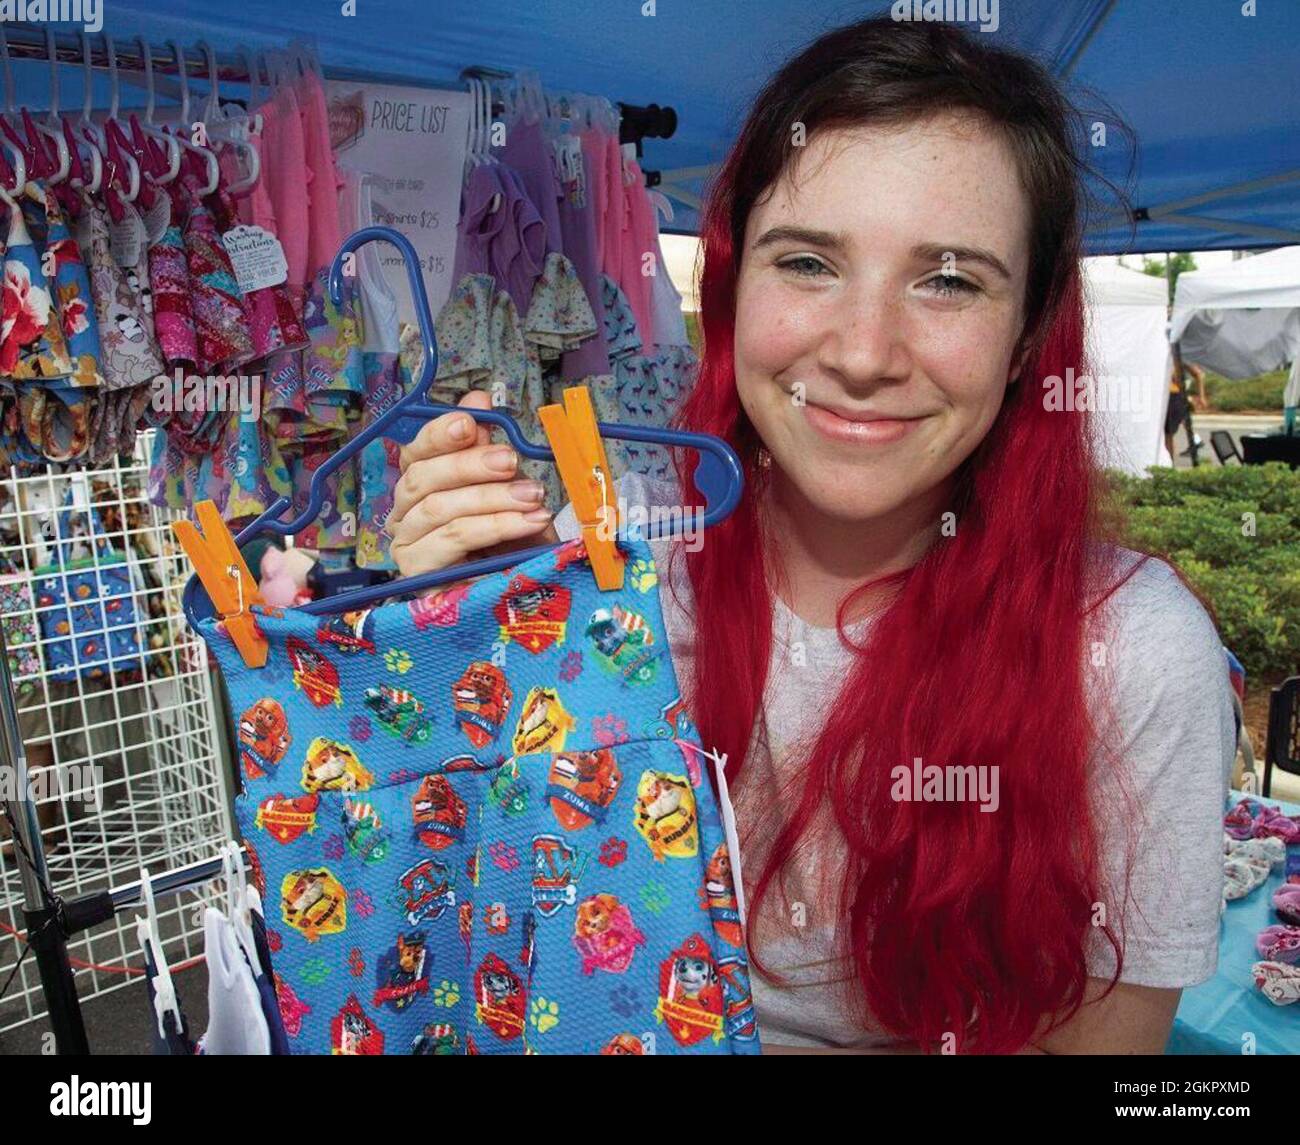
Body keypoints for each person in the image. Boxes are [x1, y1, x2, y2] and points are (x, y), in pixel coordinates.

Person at [384, 18, 1234, 1054]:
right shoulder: (597, 566)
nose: (865, 352)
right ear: (733, 289)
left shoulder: (1131, 652)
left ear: (1026, 339)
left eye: (950, 279)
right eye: (808, 262)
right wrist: (427, 654)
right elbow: (452, 930)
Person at [1165, 342, 1207, 463]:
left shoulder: (1174, 356)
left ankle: (1169, 467)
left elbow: (1198, 374)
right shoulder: (1168, 356)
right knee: (1166, 436)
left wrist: (1201, 397)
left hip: (1172, 398)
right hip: (1168, 397)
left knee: (1167, 436)